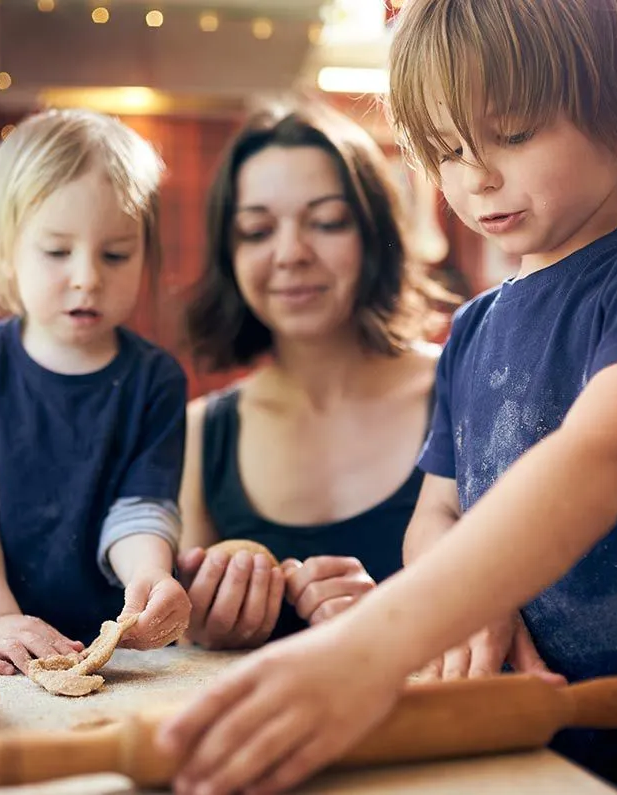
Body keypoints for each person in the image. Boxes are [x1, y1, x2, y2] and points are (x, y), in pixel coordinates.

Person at [155, 1, 617, 793]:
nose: (478, 176)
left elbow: (598, 457)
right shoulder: (475, 328)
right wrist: (481, 602)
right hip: (521, 751)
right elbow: (438, 517)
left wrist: (371, 647)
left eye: (514, 134)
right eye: (449, 151)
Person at [0, 109, 192, 675]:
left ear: (146, 254)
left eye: (115, 254)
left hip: (109, 662)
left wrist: (150, 578)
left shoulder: (156, 380)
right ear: (5, 252)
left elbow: (138, 511)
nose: (87, 276)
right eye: (56, 251)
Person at [177, 101, 451, 649]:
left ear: (374, 234)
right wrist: (200, 630)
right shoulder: (200, 432)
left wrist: (400, 621)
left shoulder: (461, 390)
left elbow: (523, 602)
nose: (290, 254)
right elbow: (180, 652)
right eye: (256, 231)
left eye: (326, 222)